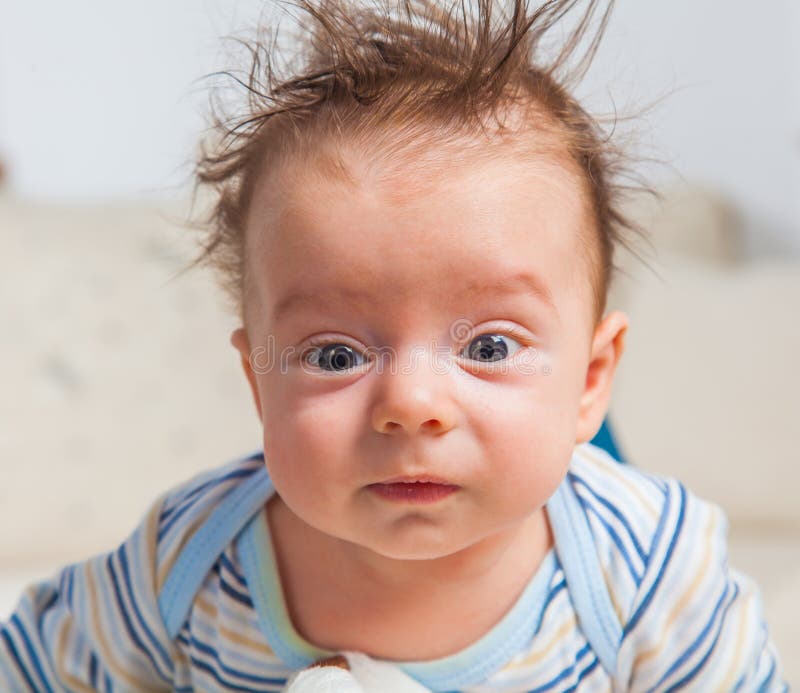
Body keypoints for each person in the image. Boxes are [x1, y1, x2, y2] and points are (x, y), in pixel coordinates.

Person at [1, 0, 786, 690]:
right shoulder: (186, 563)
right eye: (336, 355)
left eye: (489, 346)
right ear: (258, 383)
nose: (411, 404)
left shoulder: (647, 566)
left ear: (590, 379)